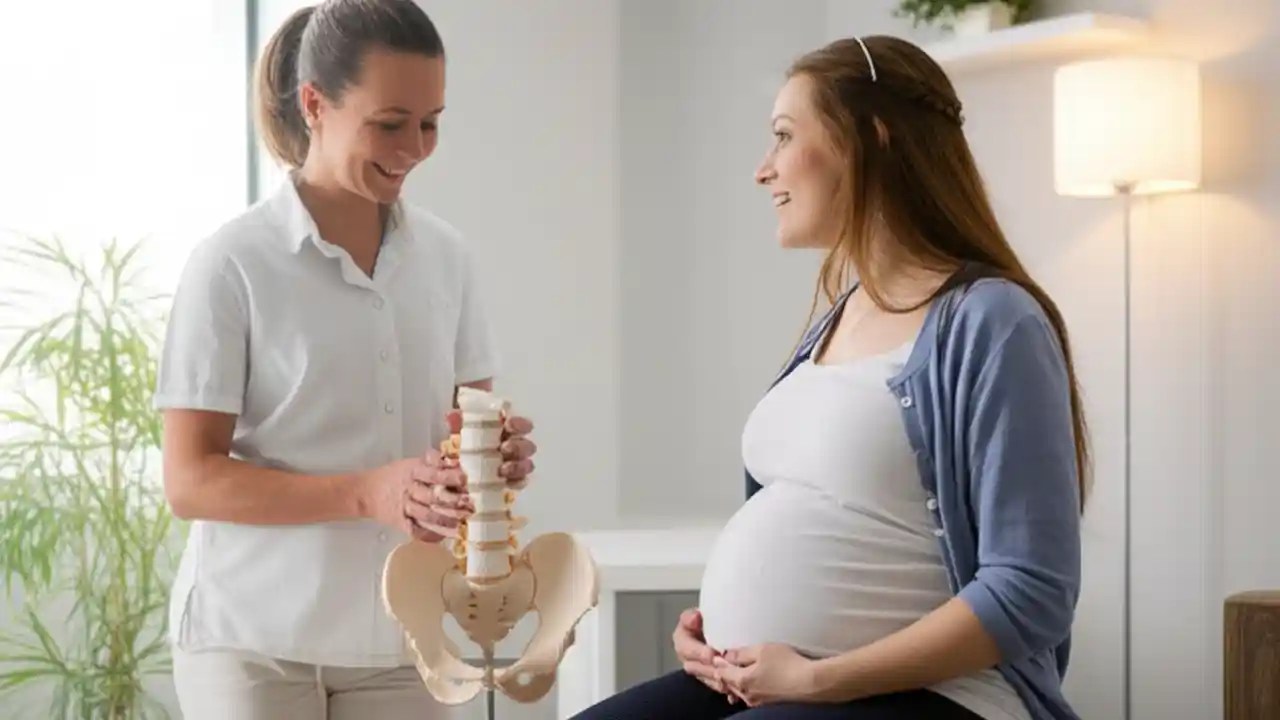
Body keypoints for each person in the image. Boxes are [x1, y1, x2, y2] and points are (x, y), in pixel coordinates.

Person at [571, 34, 1087, 720]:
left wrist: (819, 680)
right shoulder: (837, 317)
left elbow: (1031, 588)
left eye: (785, 136)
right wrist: (722, 635)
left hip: (940, 697)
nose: (763, 170)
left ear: (870, 139)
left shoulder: (993, 320)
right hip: (771, 686)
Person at [153, 2, 536, 717]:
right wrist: (367, 494)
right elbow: (189, 481)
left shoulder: (447, 260)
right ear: (314, 105)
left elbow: (462, 431)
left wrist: (491, 461)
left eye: (430, 123)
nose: (414, 148)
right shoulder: (231, 264)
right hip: (253, 643)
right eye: (390, 124)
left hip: (406, 639)